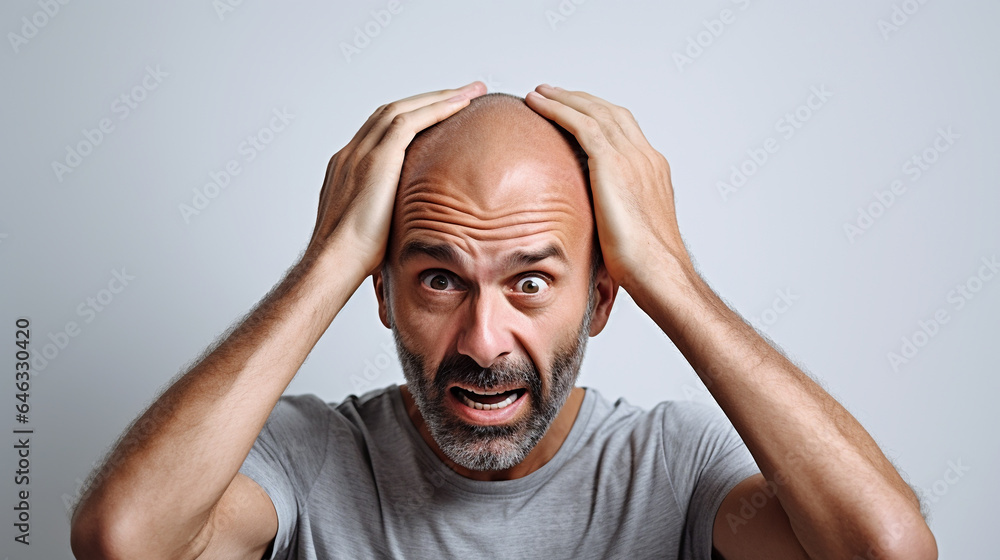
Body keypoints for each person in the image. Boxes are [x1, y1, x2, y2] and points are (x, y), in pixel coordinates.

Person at [69, 81, 937, 560]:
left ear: (601, 298)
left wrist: (670, 275)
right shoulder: (305, 458)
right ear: (381, 292)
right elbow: (126, 541)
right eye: (440, 279)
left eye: (530, 284)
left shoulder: (674, 470)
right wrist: (328, 260)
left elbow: (887, 555)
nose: (483, 344)